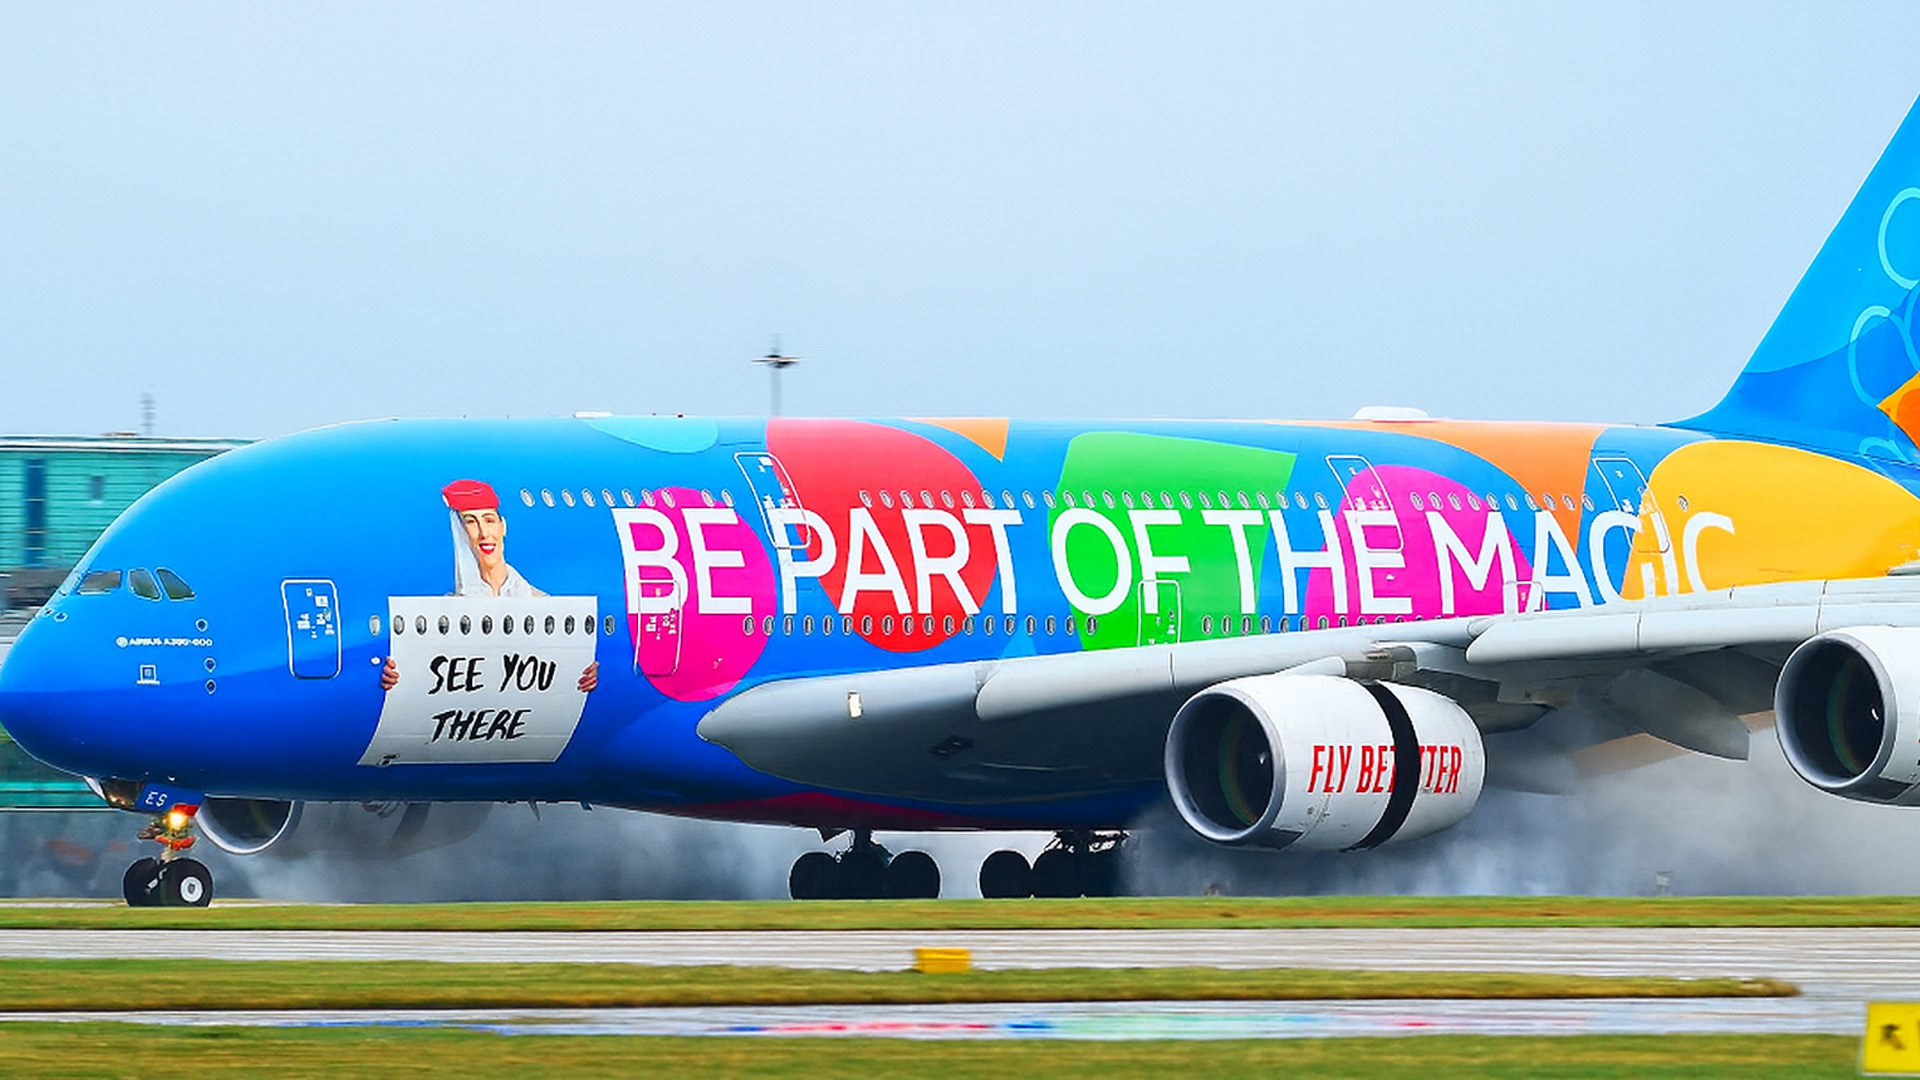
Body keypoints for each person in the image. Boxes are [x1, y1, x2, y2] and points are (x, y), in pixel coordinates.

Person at [381, 478, 597, 693]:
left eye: (489, 520)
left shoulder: (540, 602)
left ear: (503, 527)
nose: (484, 533)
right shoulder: (447, 610)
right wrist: (399, 678)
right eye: (471, 522)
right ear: (461, 534)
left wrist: (581, 675)